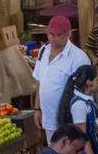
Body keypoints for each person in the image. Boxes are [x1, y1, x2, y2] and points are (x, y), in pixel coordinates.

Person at [32, 14, 91, 143]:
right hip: (48, 118)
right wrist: (37, 108)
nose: (54, 39)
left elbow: (86, 92)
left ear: (69, 34)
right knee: (54, 153)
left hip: (70, 121)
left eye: (59, 35)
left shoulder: (78, 58)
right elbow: (39, 81)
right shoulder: (43, 51)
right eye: (51, 35)